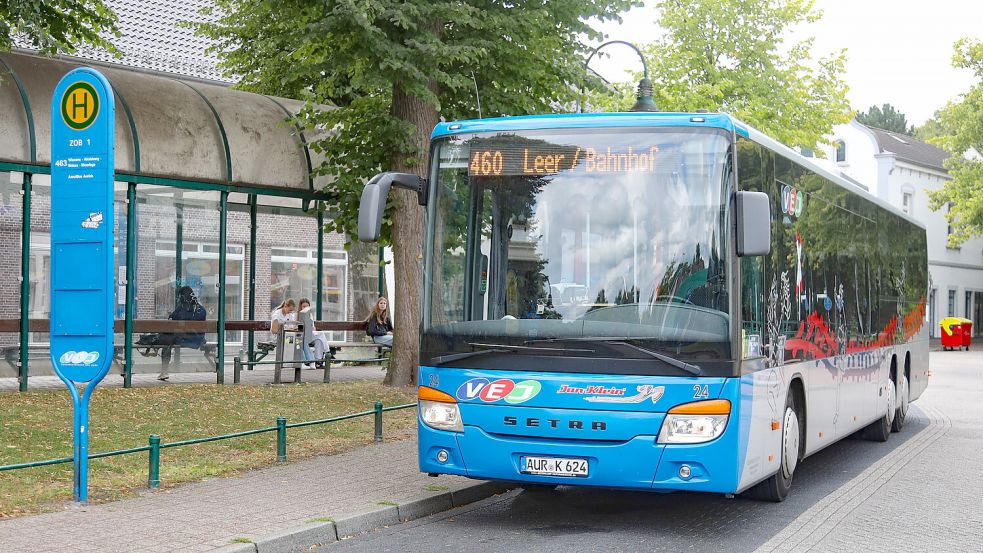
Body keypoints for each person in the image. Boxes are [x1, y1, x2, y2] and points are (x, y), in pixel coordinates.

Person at [157, 286, 207, 381]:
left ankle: (164, 371)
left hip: (188, 339)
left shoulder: (182, 309)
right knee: (167, 339)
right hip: (198, 339)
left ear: (183, 297)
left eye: (180, 296)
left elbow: (173, 319)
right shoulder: (201, 309)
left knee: (167, 341)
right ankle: (163, 371)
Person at [298, 298, 331, 367]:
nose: (305, 308)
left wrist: (312, 329)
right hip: (302, 336)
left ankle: (317, 361)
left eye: (307, 306)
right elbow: (298, 327)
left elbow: (313, 327)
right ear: (300, 306)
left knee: (319, 340)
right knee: (321, 334)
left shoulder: (310, 315)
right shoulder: (298, 315)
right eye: (304, 306)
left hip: (310, 335)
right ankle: (327, 351)